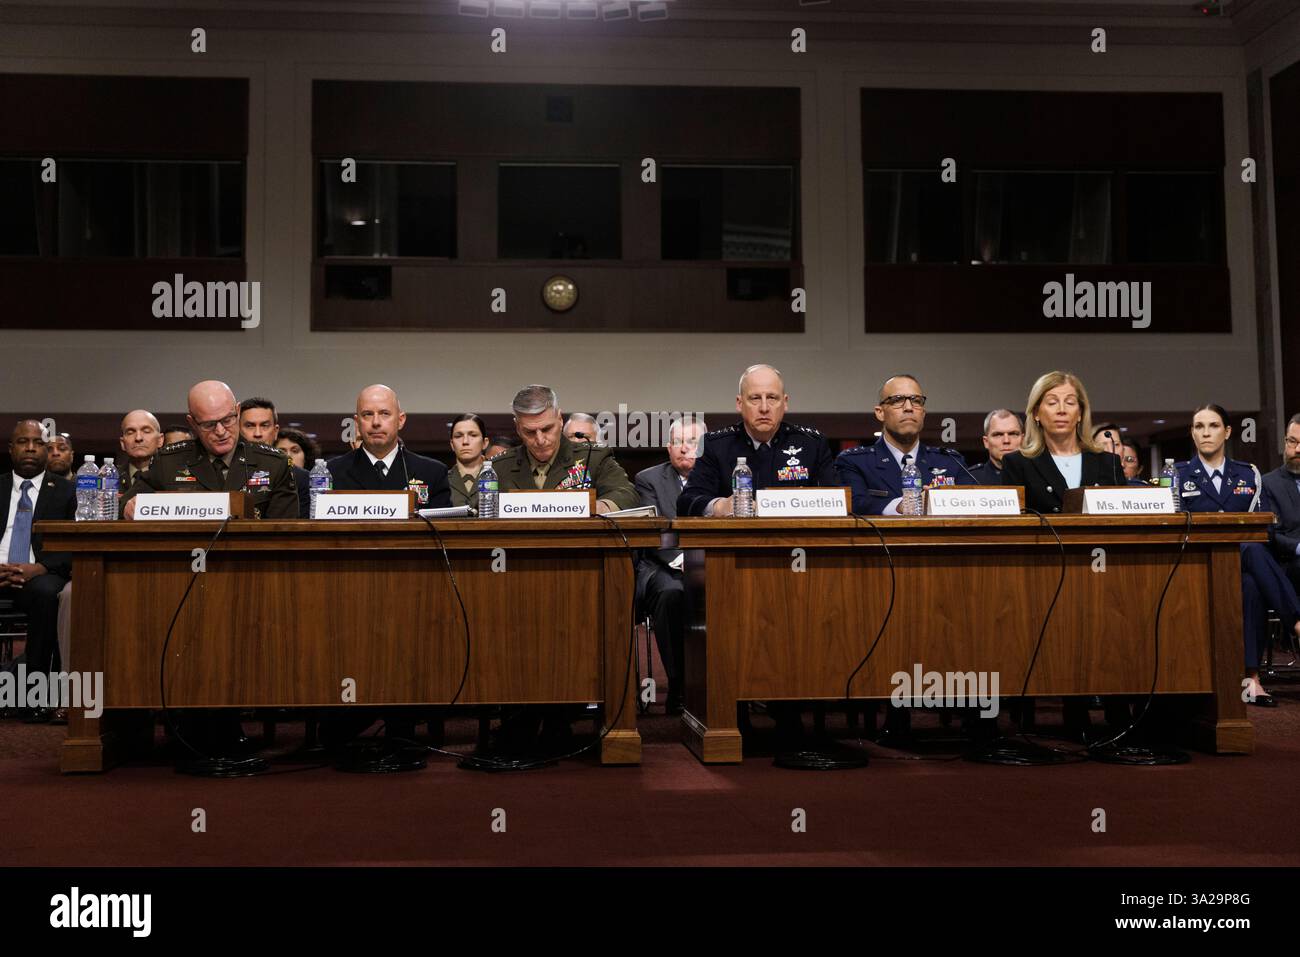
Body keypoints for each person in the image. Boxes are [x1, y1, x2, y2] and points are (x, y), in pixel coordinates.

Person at [1178, 403, 1292, 706]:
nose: (1205, 433)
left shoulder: (1248, 474)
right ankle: (1295, 620)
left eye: (1213, 426)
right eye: (1199, 426)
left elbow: (1265, 528)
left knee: (1253, 583)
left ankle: (1250, 681)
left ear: (1227, 432)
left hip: (1240, 565)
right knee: (1251, 549)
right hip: (1197, 563)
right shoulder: (1176, 475)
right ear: (1192, 433)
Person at [121, 380, 298, 520]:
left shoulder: (274, 464)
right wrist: (128, 507)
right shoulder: (168, 462)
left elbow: (284, 531)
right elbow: (124, 504)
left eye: (227, 420)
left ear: (237, 411)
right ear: (192, 423)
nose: (220, 431)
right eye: (209, 424)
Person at [678, 364, 836, 517]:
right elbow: (687, 502)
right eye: (755, 398)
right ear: (739, 403)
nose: (764, 408)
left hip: (796, 541)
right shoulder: (715, 445)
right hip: (735, 540)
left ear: (785, 403)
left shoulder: (812, 444)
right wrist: (719, 506)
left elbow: (836, 501)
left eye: (772, 398)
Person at [1, 421, 77, 721]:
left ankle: (35, 696)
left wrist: (41, 567)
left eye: (37, 443)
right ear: (11, 449)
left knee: (49, 593)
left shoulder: (67, 492)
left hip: (41, 575)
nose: (30, 448)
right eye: (23, 442)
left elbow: (76, 545)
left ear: (47, 450)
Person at [634, 416, 707, 714]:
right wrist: (682, 560)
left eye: (691, 441)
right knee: (672, 593)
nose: (683, 448)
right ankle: (679, 683)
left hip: (713, 561)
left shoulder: (722, 476)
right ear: (668, 448)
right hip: (662, 564)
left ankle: (731, 684)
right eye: (677, 442)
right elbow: (652, 530)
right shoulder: (648, 479)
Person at [835, 374, 975, 514]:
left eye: (916, 400)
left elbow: (973, 503)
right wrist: (897, 507)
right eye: (897, 400)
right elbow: (853, 504)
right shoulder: (855, 462)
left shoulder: (951, 461)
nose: (909, 407)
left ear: (923, 414)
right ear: (880, 413)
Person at [492, 385, 636, 513]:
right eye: (529, 432)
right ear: (517, 427)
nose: (540, 440)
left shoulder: (593, 457)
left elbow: (627, 494)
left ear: (560, 419)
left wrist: (596, 507)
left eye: (547, 429)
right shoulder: (499, 467)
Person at [999, 371, 1124, 514]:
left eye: (1070, 402)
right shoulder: (1017, 463)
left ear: (1080, 414)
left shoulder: (1109, 463)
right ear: (1036, 413)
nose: (1062, 410)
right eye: (1052, 403)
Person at [326, 385, 451, 508]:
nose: (376, 422)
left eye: (384, 413)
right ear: (357, 422)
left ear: (400, 420)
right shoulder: (331, 472)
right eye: (368, 414)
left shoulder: (432, 472)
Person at [239, 397, 310, 518]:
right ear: (238, 429)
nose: (257, 434)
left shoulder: (300, 478)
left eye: (264, 426)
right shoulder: (226, 468)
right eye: (250, 426)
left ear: (276, 431)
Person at [968, 409, 1023, 485]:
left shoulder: (1036, 476)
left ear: (1023, 440)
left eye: (1013, 434)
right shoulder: (971, 479)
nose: (1006, 440)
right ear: (986, 442)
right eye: (998, 435)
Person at [448, 413, 490, 512]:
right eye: (458, 436)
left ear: (485, 443)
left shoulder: (500, 476)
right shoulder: (442, 481)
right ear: (452, 444)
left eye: (473, 435)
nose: (465, 441)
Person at [114, 409, 164, 487]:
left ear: (160, 440)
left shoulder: (172, 475)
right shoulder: (111, 477)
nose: (138, 438)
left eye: (146, 431)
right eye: (130, 433)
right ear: (123, 443)